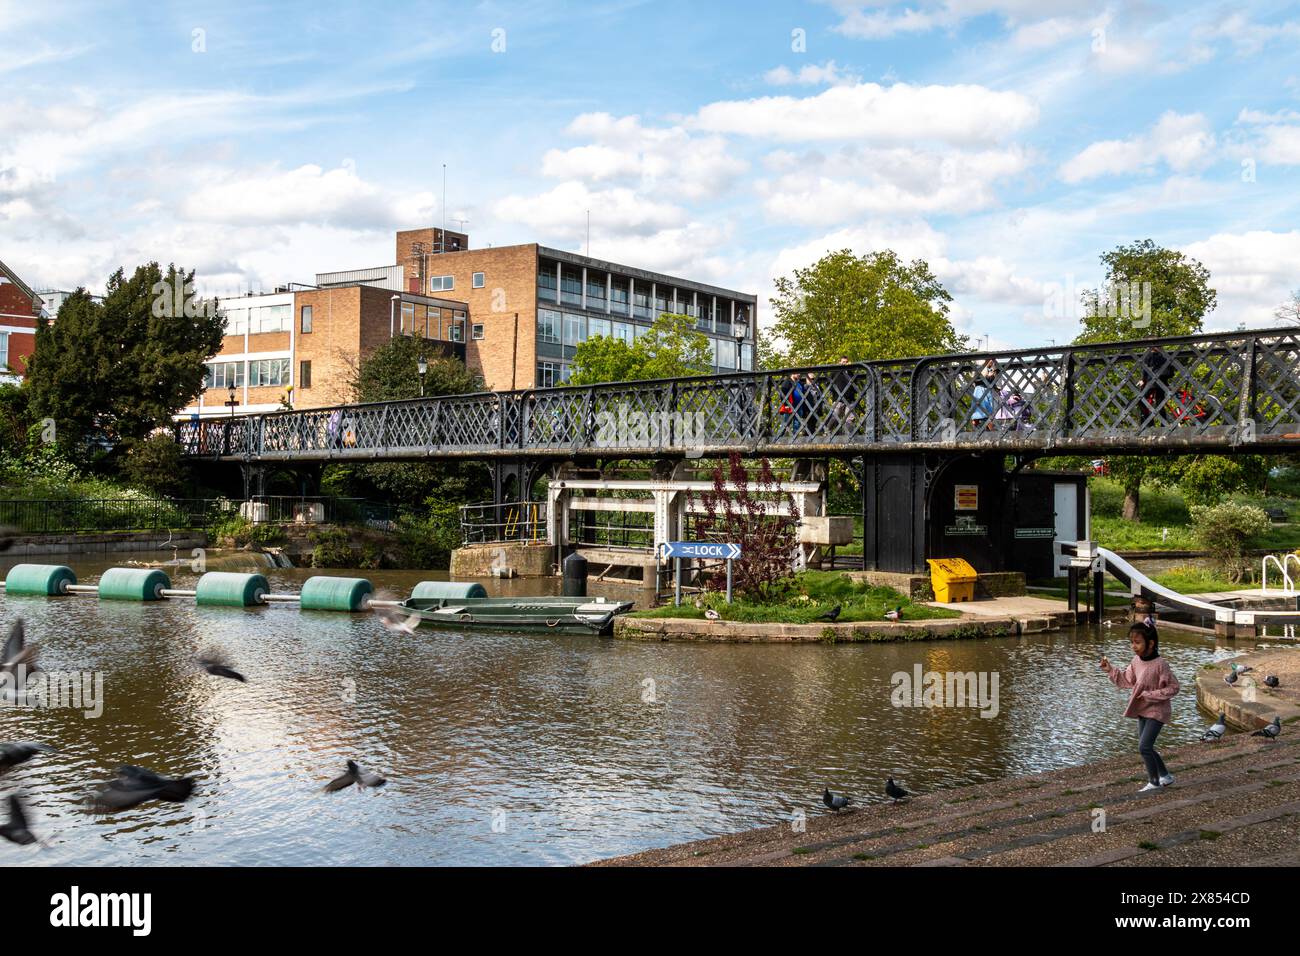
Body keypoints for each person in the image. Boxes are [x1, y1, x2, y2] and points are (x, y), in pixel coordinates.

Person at [1100, 621, 1180, 792]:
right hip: (1142, 710)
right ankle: (1166, 776)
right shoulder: (1136, 661)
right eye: (1132, 642)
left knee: (1144, 747)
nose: (1133, 646)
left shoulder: (1161, 664)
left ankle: (1154, 782)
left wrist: (1151, 695)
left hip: (1158, 710)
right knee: (1147, 747)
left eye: (1137, 642)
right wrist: (1110, 670)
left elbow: (1174, 687)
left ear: (1151, 643)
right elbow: (1127, 680)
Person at [970, 359, 999, 430]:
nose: (992, 362)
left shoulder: (990, 369)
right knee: (979, 412)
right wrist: (988, 371)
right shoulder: (980, 368)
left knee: (988, 413)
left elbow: (991, 380)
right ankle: (977, 430)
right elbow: (980, 378)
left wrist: (994, 372)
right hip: (980, 391)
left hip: (987, 391)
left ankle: (990, 430)